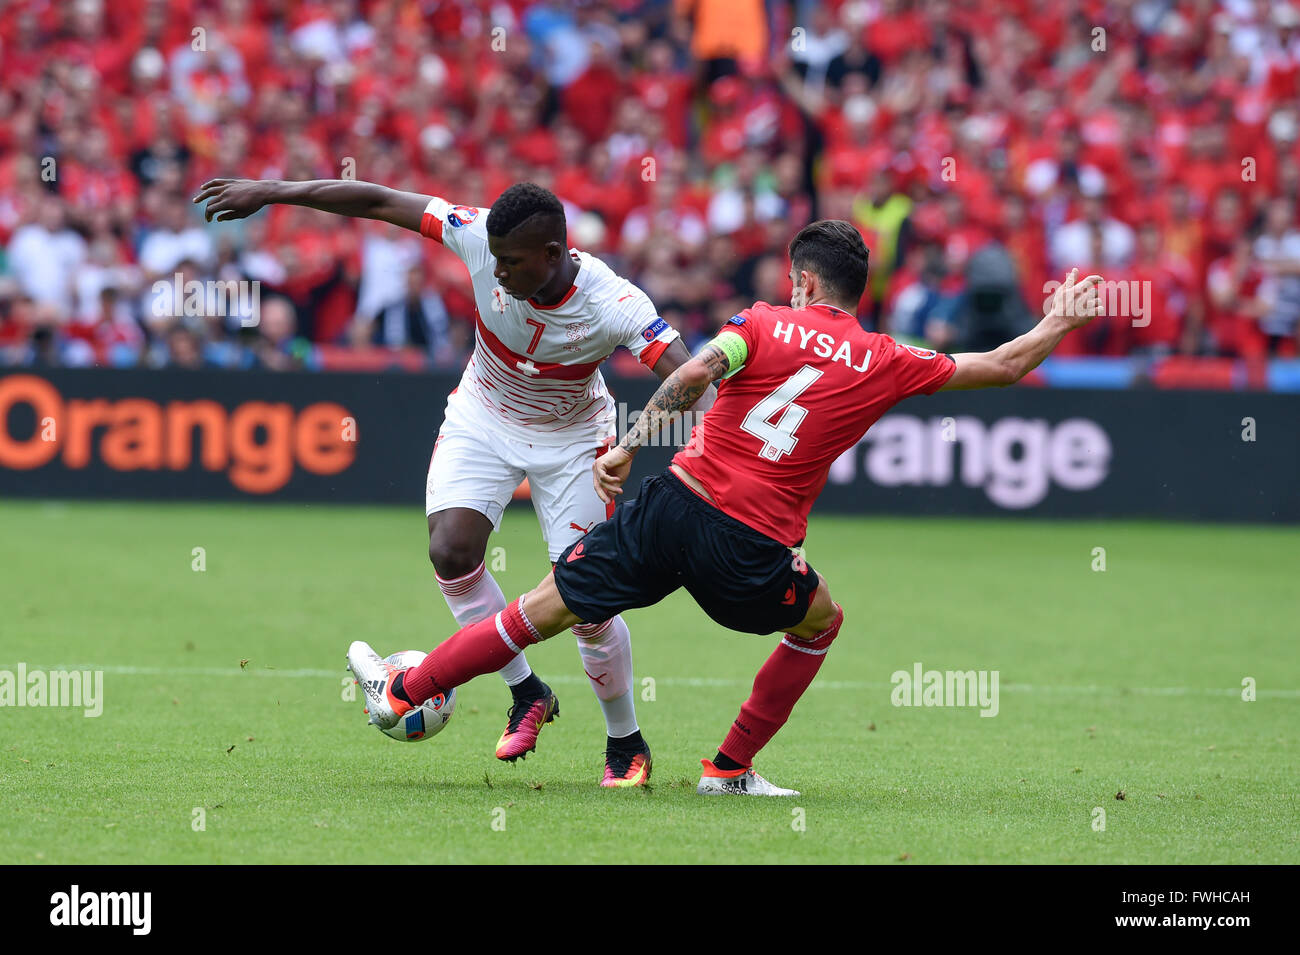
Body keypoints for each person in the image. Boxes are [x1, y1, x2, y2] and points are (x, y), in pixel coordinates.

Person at [347, 219, 1103, 795]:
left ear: (802, 281)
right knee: (821, 621)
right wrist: (1059, 321)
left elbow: (694, 373)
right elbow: (1003, 366)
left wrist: (629, 444)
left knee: (539, 608)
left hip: (673, 504)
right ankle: (728, 767)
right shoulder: (887, 358)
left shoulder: (763, 321)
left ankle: (406, 689)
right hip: (752, 550)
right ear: (852, 291)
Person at [196, 177, 714, 787]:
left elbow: (691, 374)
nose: (497, 274)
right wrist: (272, 191)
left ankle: (625, 740)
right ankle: (527, 693)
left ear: (553, 255)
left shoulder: (613, 302)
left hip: (573, 438)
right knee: (451, 549)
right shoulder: (476, 233)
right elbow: (377, 201)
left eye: (512, 263)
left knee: (586, 603)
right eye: (493, 259)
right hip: (484, 414)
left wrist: (632, 444)